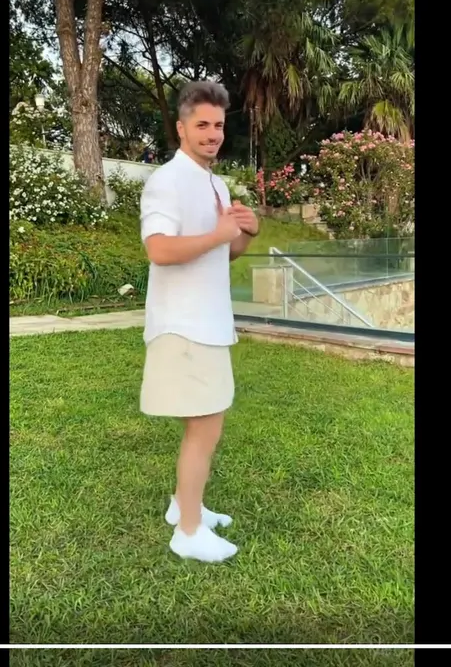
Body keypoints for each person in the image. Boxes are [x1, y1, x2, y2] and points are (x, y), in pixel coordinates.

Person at [139, 81, 260, 562]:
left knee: (207, 423)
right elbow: (159, 250)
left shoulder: (215, 183)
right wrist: (219, 232)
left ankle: (184, 507)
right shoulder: (167, 181)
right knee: (204, 427)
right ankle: (187, 532)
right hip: (184, 325)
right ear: (181, 128)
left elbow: (222, 253)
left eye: (219, 125)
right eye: (203, 125)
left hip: (210, 322)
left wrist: (245, 233)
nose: (213, 134)